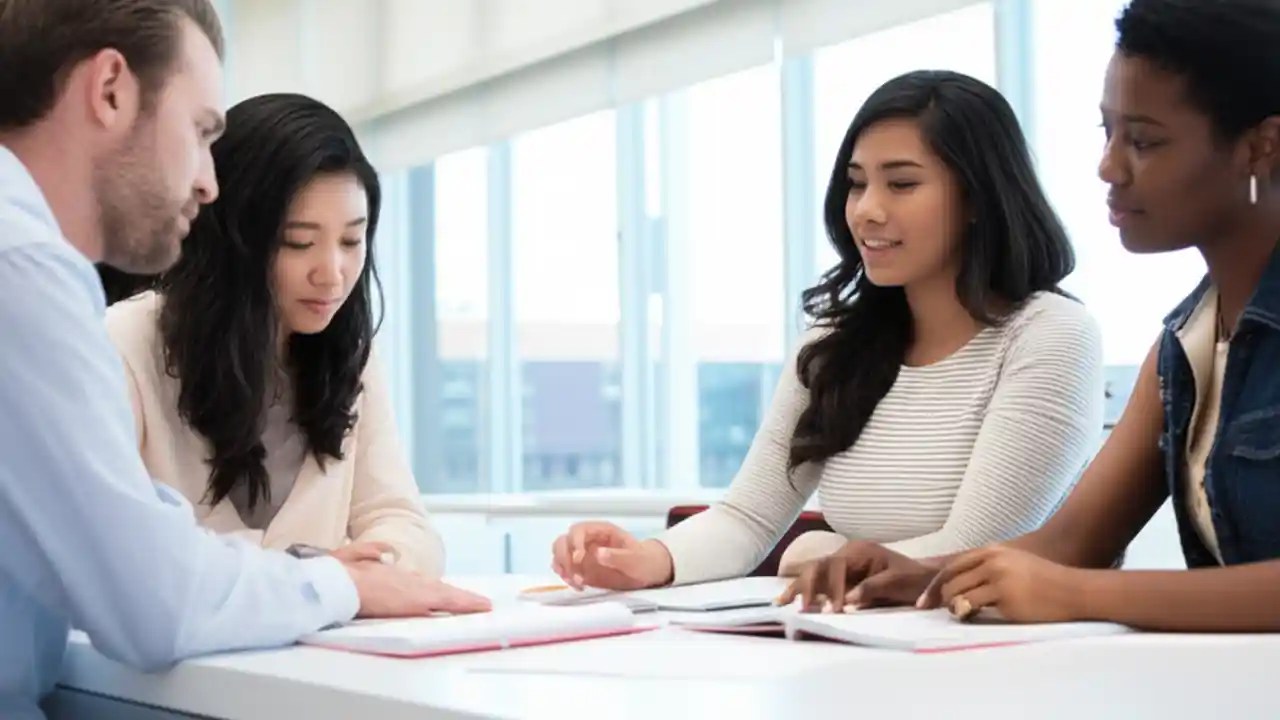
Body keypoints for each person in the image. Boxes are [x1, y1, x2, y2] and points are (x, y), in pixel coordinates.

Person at [0, 2, 486, 717]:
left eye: (352, 241)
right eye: (199, 133)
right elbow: (149, 600)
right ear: (109, 91)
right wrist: (338, 581)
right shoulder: (28, 272)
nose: (208, 182)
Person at [781, 0, 1280, 632]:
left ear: (1261, 146)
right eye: (1107, 133)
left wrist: (1079, 595)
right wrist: (912, 573)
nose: (1108, 167)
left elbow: (1070, 577)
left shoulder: (1068, 334)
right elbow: (1071, 545)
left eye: (1144, 141)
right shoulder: (1186, 344)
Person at [550, 70, 1104, 592]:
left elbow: (976, 549)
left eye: (902, 184)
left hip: (995, 660)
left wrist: (811, 554)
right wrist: (646, 559)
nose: (866, 211)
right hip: (849, 646)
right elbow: (747, 518)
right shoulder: (834, 345)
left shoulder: (1050, 335)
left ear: (979, 199)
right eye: (857, 184)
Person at [104, 93, 445, 576]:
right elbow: (120, 549)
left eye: (352, 240)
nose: (332, 273)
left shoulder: (349, 355)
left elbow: (402, 522)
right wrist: (313, 576)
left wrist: (368, 568)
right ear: (234, 238)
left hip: (316, 654)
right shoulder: (127, 342)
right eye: (299, 242)